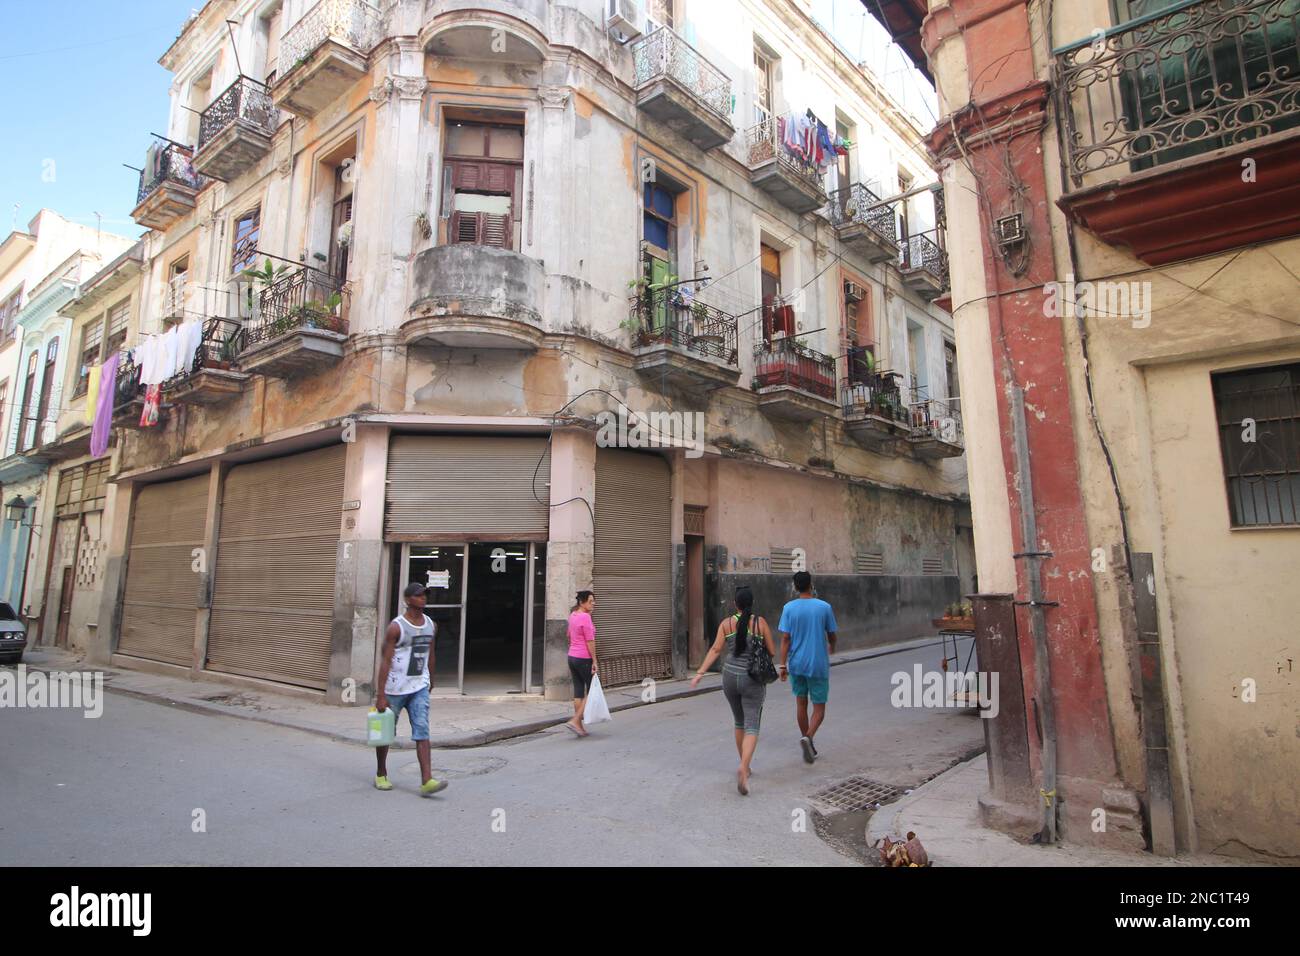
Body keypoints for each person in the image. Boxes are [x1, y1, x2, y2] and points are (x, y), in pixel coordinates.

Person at [691, 587, 776, 795]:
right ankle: (743, 769)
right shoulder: (760, 623)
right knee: (752, 725)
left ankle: (744, 764)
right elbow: (772, 651)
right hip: (751, 679)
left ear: (735, 603)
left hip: (729, 677)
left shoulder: (726, 624)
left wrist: (700, 672)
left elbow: (715, 649)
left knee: (739, 722)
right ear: (751, 603)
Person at [374, 583, 448, 796]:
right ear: (407, 600)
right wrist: (381, 695)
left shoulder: (431, 625)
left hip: (419, 687)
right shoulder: (396, 627)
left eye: (425, 595)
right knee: (386, 734)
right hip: (395, 689)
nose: (423, 598)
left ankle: (427, 780)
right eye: (418, 595)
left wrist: (431, 680)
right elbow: (385, 661)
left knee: (422, 730)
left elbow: (431, 654)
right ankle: (381, 772)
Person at [777, 571, 838, 764]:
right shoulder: (824, 607)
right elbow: (832, 634)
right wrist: (832, 646)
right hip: (817, 663)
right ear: (811, 585)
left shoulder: (788, 608)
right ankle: (809, 738)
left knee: (801, 704)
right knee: (819, 707)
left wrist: (782, 665)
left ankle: (806, 739)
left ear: (795, 587)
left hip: (796, 663)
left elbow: (785, 639)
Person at [565, 590, 599, 737]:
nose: (593, 604)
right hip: (583, 658)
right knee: (592, 691)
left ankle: (578, 725)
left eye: (594, 601)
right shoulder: (585, 617)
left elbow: (568, 635)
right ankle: (576, 719)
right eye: (590, 601)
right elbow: (590, 641)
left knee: (579, 691)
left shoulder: (573, 615)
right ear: (582, 602)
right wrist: (594, 660)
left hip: (572, 656)